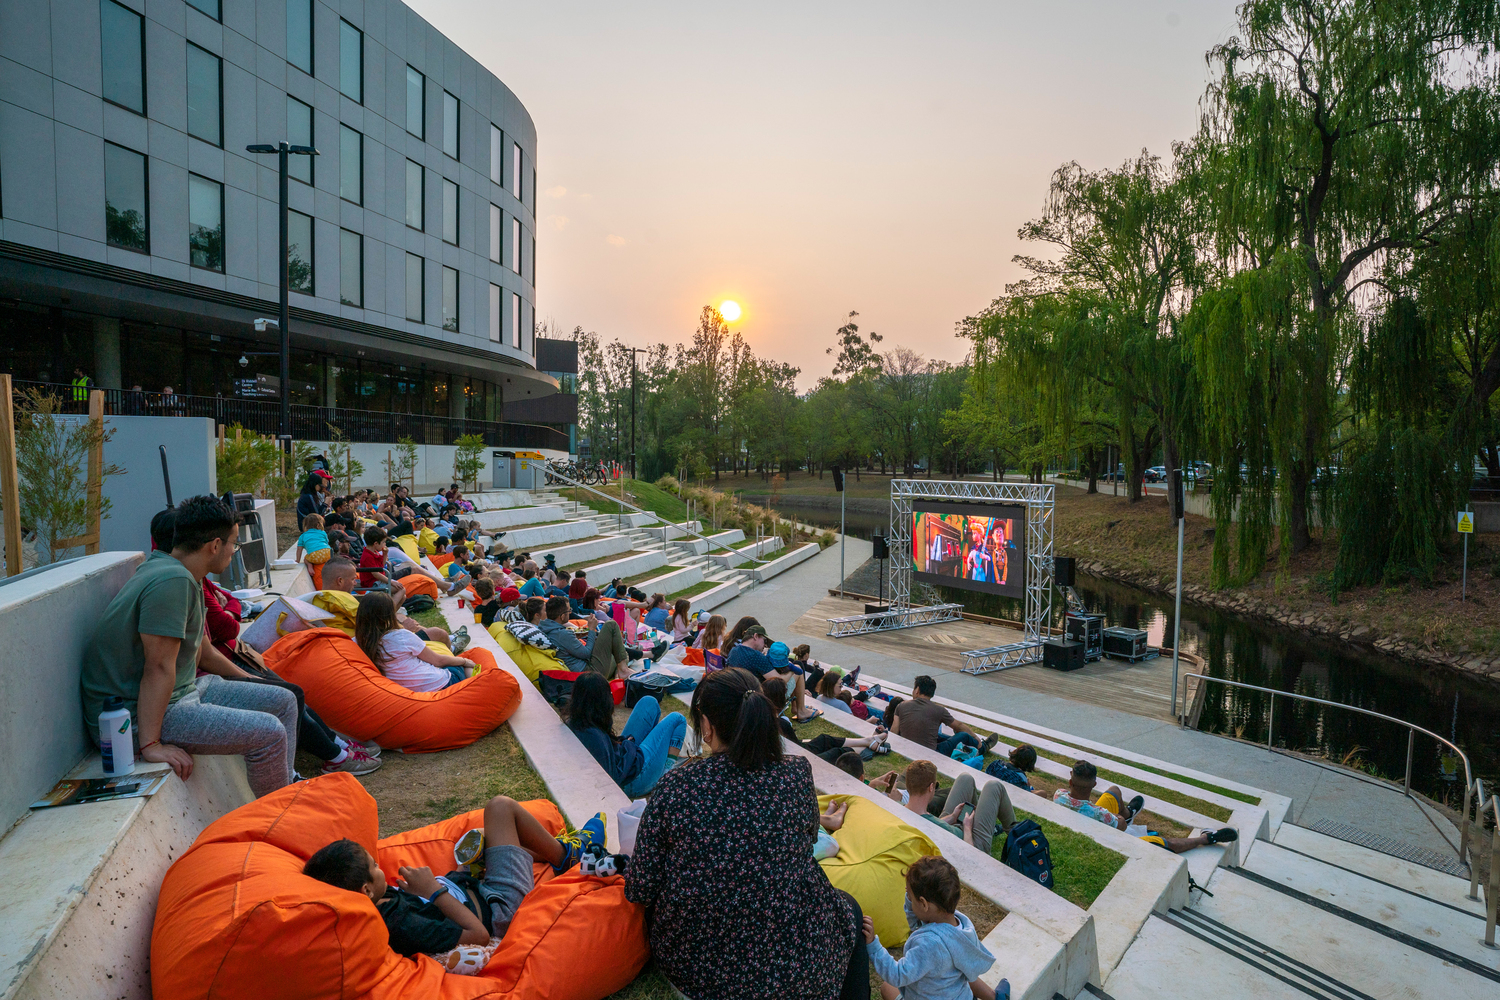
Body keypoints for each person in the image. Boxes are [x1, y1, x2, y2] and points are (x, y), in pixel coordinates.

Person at [624, 667, 870, 1000]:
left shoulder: (677, 786)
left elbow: (640, 887)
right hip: (800, 962)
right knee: (847, 909)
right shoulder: (796, 774)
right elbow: (808, 842)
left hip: (699, 967)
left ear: (708, 727)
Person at [81, 496, 299, 798]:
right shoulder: (172, 581)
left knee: (284, 700)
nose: (234, 551)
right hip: (133, 718)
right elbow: (158, 666)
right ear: (214, 545)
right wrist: (151, 745)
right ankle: (276, 822)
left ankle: (285, 793)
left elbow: (202, 652)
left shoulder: (183, 573)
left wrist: (253, 680)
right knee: (269, 734)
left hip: (185, 691)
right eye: (233, 543)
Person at [303, 797, 606, 959]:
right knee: (500, 808)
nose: (381, 866)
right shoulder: (401, 924)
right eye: (374, 866)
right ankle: (567, 856)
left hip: (470, 887)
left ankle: (550, 851)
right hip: (499, 906)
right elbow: (480, 936)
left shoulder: (378, 903)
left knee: (483, 836)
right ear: (366, 890)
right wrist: (433, 890)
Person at [864, 855, 1003, 1000]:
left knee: (887, 987)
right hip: (960, 995)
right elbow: (917, 922)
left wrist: (874, 945)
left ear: (924, 904)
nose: (909, 900)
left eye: (910, 897)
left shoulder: (929, 944)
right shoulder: (959, 925)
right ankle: (994, 997)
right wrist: (911, 896)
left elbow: (897, 975)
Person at [1053, 760, 1238, 853]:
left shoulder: (1058, 796)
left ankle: (1128, 813)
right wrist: (1119, 819)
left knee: (1113, 791)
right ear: (1094, 785)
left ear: (1070, 781)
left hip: (1088, 815)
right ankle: (1206, 838)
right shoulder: (1101, 815)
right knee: (1165, 843)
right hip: (1109, 834)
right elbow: (1121, 826)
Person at [568, 673, 686, 798]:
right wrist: (629, 746)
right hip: (632, 780)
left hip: (625, 760)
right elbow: (614, 778)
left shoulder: (580, 719)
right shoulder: (593, 736)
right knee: (678, 719)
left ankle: (656, 762)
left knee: (649, 702)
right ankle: (665, 776)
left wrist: (624, 744)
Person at [354, 592, 473, 692]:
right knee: (464, 667)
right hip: (440, 685)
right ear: (389, 615)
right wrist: (464, 661)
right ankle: (475, 690)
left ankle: (453, 644)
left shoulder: (357, 642)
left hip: (406, 690)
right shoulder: (400, 636)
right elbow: (438, 661)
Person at [901, 760, 1016, 855]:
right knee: (994, 787)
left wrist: (952, 817)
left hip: (950, 828)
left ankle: (984, 819)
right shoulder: (935, 826)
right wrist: (967, 827)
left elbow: (933, 823)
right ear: (931, 787)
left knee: (965, 778)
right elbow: (971, 855)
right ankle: (1018, 834)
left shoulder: (900, 808)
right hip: (971, 843)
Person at [763, 677, 883, 764]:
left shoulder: (766, 718)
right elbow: (798, 749)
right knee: (836, 752)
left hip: (794, 752)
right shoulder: (779, 723)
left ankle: (868, 741)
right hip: (802, 758)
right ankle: (868, 746)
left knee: (824, 739)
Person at [537, 595, 648, 679]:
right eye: (568, 611)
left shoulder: (545, 628)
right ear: (561, 617)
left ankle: (620, 672)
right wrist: (591, 630)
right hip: (589, 672)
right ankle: (623, 670)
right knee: (611, 625)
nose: (570, 612)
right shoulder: (562, 634)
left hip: (585, 669)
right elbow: (586, 653)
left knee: (621, 654)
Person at [893, 675, 995, 758]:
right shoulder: (939, 710)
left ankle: (968, 745)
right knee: (963, 735)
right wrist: (975, 737)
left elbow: (894, 731)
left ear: (917, 690)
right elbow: (958, 725)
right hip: (932, 753)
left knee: (941, 737)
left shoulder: (901, 705)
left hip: (906, 747)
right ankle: (983, 747)